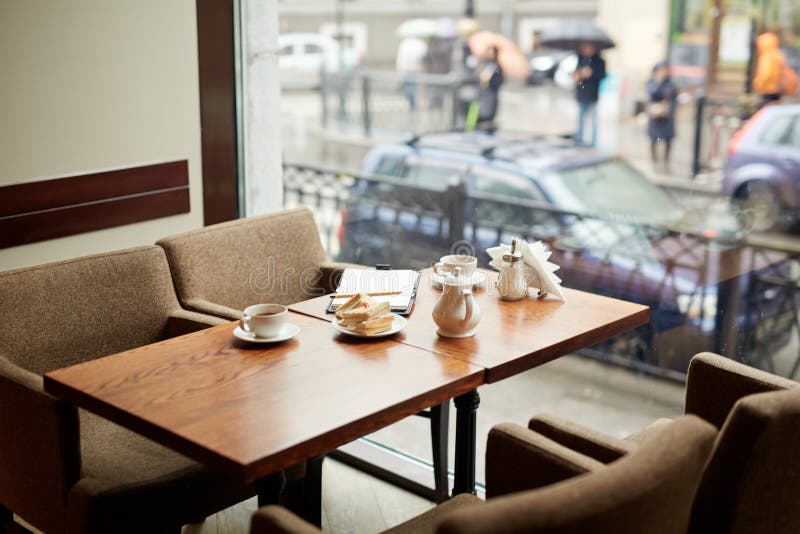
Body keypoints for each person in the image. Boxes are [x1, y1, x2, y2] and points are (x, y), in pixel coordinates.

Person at [646, 61, 678, 171]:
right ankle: (655, 162)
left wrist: (671, 109)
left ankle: (666, 162)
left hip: (667, 116)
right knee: (654, 139)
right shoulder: (651, 82)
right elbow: (652, 93)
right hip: (655, 116)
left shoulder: (670, 84)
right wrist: (658, 81)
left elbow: (674, 98)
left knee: (668, 140)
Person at [573, 42, 606, 147]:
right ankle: (579, 138)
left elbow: (602, 75)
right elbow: (576, 75)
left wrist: (591, 73)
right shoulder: (580, 59)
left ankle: (593, 142)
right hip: (581, 93)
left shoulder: (599, 61)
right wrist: (578, 75)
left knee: (593, 119)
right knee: (580, 118)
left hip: (592, 94)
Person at [752, 32, 786, 108]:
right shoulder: (778, 54)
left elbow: (765, 73)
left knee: (764, 111)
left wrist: (757, 84)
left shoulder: (767, 57)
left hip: (767, 89)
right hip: (777, 89)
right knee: (773, 108)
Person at [474, 45, 504, 129]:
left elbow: (500, 81)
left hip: (490, 97)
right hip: (481, 97)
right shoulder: (483, 65)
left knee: (488, 120)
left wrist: (491, 79)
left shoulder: (497, 67)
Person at [396, 36, 428, 110]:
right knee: (411, 86)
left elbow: (400, 58)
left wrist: (399, 69)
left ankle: (411, 103)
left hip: (406, 69)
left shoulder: (405, 44)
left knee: (409, 86)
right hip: (414, 68)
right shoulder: (421, 44)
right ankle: (412, 102)